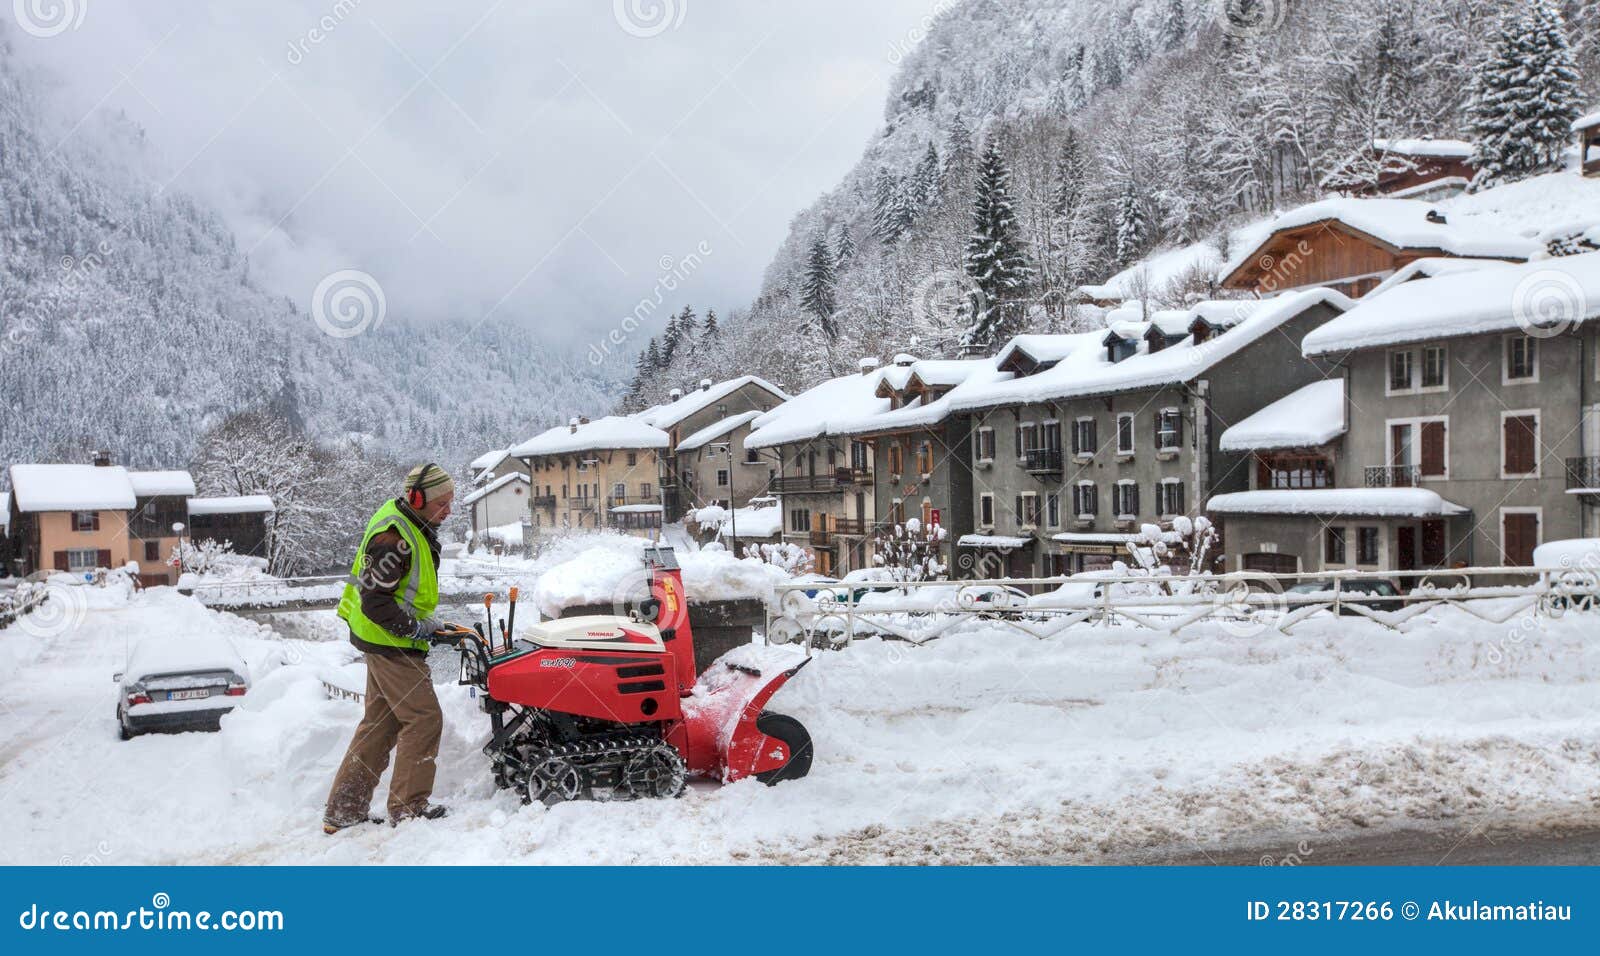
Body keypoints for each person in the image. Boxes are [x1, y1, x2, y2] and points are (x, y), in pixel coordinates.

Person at [323, 463, 457, 833]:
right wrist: (419, 629)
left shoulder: (410, 523)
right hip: (391, 643)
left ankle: (344, 810)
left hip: (382, 639)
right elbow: (376, 602)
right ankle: (409, 809)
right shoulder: (393, 537)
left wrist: (426, 624)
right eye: (442, 503)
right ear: (417, 498)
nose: (448, 510)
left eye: (451, 502)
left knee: (380, 724)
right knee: (424, 718)